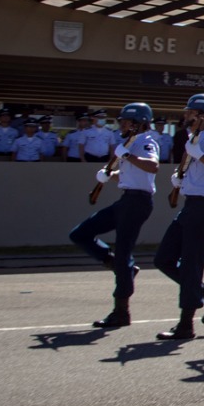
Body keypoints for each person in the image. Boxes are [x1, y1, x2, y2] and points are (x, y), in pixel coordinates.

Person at [68, 103, 160, 328]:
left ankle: (121, 312)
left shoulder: (146, 142)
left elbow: (152, 166)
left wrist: (127, 156)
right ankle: (117, 265)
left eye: (126, 121)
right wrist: (110, 175)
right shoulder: (128, 142)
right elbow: (131, 173)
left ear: (138, 123)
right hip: (126, 199)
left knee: (123, 251)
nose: (122, 124)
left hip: (138, 202)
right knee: (80, 233)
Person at [151, 93, 204, 340]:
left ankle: (186, 324)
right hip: (190, 205)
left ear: (203, 116)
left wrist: (200, 155)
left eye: (190, 112)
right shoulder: (192, 140)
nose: (186, 116)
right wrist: (180, 176)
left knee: (190, 263)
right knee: (163, 258)